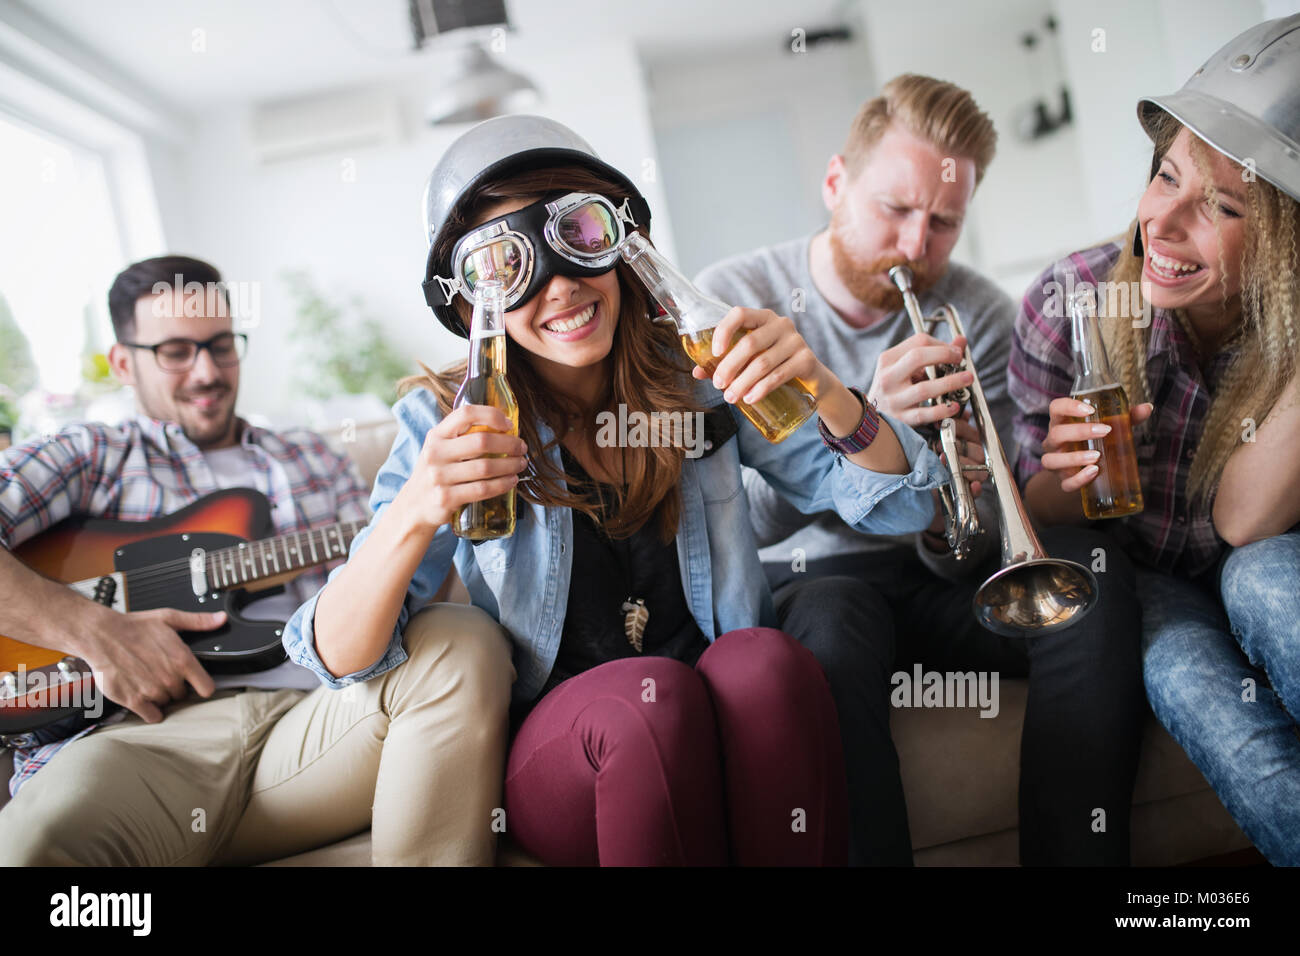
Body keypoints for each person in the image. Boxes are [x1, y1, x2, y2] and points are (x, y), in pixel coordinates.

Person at [284, 114, 950, 866]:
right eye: (507, 266)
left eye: (580, 235)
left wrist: (828, 390)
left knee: (764, 661)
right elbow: (339, 657)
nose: (562, 285)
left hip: (712, 701)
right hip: (576, 744)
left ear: (623, 241)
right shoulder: (447, 421)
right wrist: (414, 511)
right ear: (470, 303)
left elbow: (908, 504)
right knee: (648, 698)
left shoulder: (697, 378)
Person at [695, 74, 1147, 865]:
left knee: (1092, 586)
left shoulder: (978, 314)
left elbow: (972, 549)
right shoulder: (737, 299)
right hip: (818, 576)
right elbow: (733, 516)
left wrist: (952, 491)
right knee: (832, 628)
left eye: (943, 223)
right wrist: (867, 433)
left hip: (940, 580)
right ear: (836, 183)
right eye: (895, 211)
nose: (915, 247)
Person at [0, 255, 514, 866]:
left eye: (222, 346)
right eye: (176, 352)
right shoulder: (91, 452)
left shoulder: (313, 457)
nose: (207, 371)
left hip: (316, 727)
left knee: (458, 637)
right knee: (36, 846)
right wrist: (93, 628)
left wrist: (421, 517)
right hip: (139, 742)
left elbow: (398, 613)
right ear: (122, 363)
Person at [1010, 14, 1300, 866]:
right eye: (1165, 176)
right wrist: (1070, 475)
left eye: (1219, 206)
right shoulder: (1069, 300)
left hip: (1266, 562)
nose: (1161, 224)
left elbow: (1247, 525)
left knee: (1263, 583)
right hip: (1137, 574)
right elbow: (1032, 520)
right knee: (1177, 667)